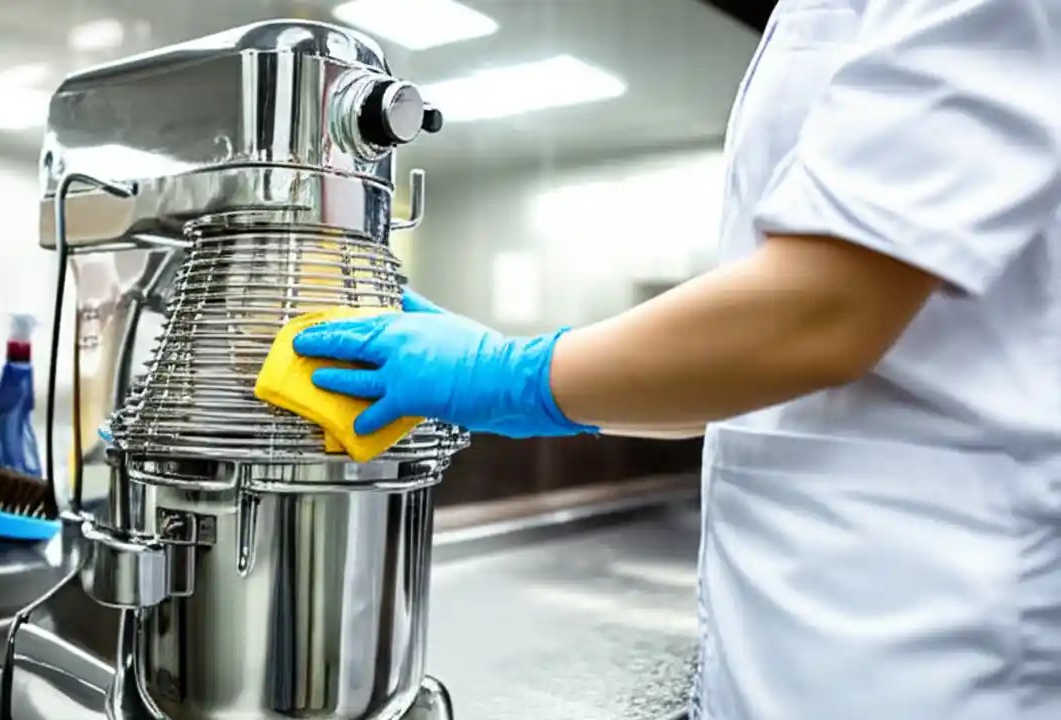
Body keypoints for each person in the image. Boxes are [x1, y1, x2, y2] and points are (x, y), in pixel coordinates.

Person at [294, 1, 1061, 718]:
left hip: (933, 638)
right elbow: (745, 379)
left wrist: (511, 373)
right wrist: (509, 371)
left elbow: (826, 310)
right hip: (787, 647)